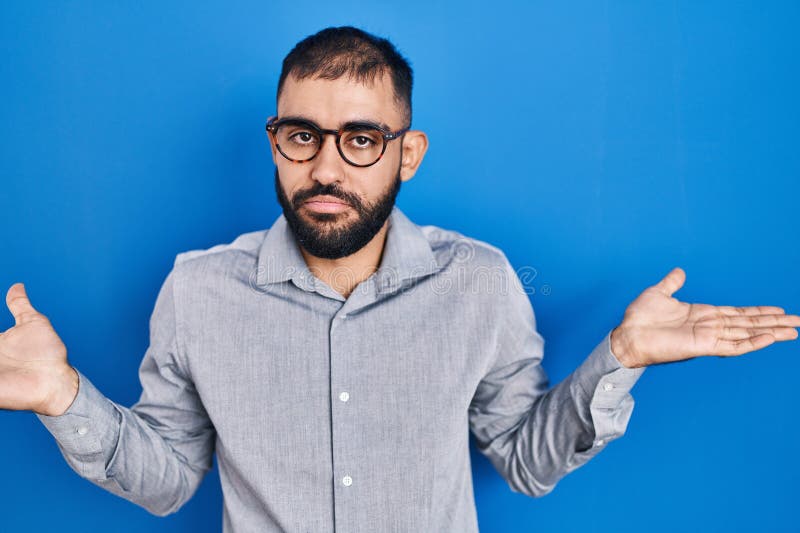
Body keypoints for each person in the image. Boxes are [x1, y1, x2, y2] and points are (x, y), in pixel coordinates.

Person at [2, 26, 798, 533]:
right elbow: (169, 480)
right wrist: (62, 396)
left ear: (405, 153)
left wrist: (619, 357)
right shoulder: (198, 290)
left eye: (360, 139)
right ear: (274, 142)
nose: (324, 166)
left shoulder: (478, 283)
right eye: (302, 135)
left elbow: (524, 459)